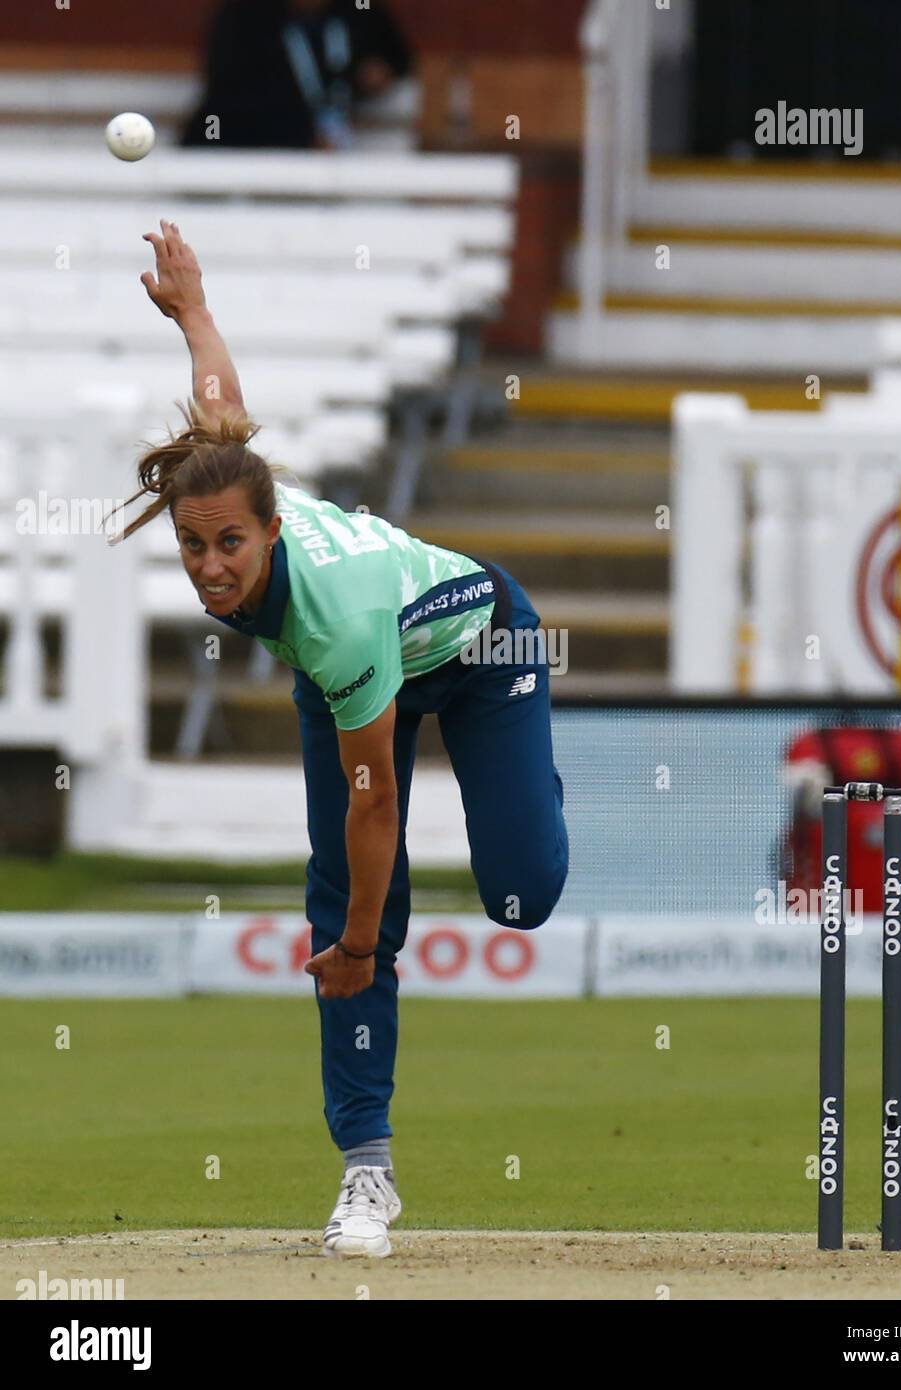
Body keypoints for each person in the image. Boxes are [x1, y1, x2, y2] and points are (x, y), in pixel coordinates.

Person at [115, 221, 569, 1257]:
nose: (211, 567)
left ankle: (530, 793)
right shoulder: (228, 481)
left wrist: (365, 947)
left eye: (230, 543)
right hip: (353, 680)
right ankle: (367, 1172)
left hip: (481, 643)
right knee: (346, 907)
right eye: (193, 546)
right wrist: (192, 310)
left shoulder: (331, 612)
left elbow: (379, 807)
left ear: (273, 530)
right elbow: (219, 413)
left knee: (514, 897)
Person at [181, 0, 412, 150]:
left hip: (337, 147)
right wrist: (302, 136)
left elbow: (397, 56)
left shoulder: (359, 11)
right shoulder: (244, 17)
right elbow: (232, 96)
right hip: (248, 152)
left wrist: (377, 72)